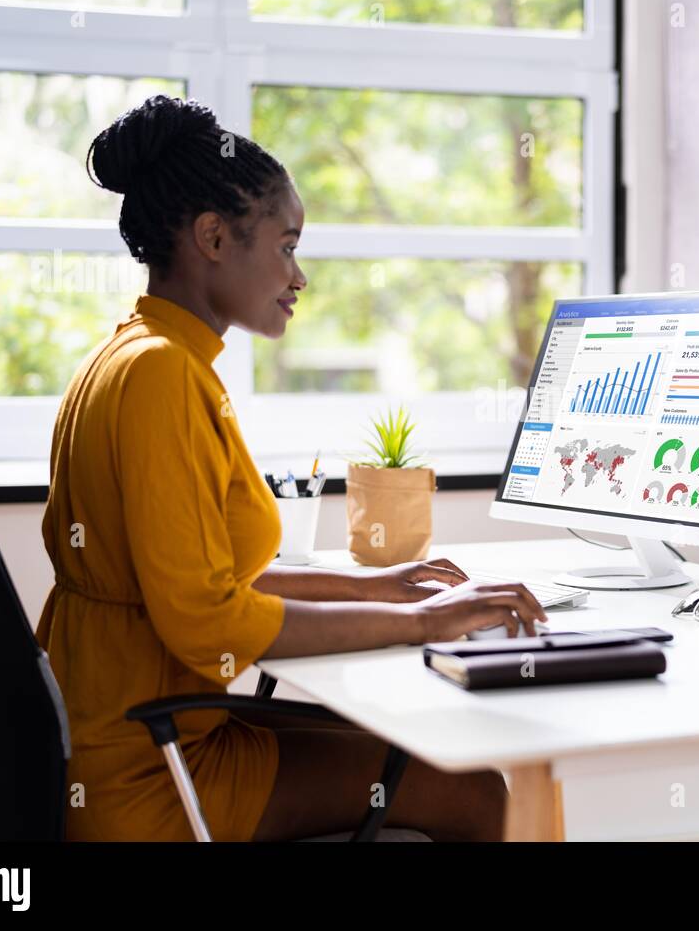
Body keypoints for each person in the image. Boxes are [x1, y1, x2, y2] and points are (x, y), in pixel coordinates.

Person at [35, 94, 547, 842]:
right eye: (286, 245)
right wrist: (423, 620)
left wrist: (372, 585)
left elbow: (196, 582)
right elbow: (206, 620)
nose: (299, 275)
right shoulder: (159, 376)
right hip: (150, 773)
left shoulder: (139, 354)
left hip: (149, 735)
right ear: (213, 237)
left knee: (426, 753)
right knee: (469, 790)